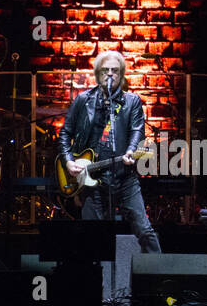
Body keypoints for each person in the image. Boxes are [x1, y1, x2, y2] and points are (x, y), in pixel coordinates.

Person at [59, 51, 161, 252]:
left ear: (122, 74)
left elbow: (136, 131)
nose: (110, 75)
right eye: (105, 71)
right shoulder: (83, 100)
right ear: (98, 74)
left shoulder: (132, 101)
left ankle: (161, 278)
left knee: (145, 230)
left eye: (115, 71)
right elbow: (65, 133)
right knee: (93, 235)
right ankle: (94, 281)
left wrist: (132, 151)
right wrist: (68, 161)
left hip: (124, 178)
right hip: (92, 179)